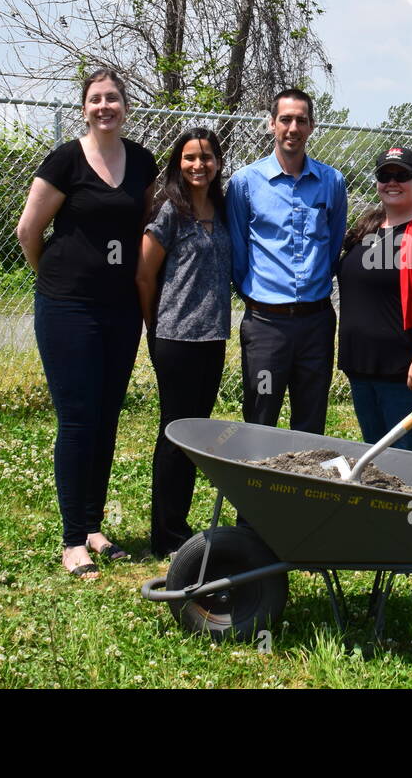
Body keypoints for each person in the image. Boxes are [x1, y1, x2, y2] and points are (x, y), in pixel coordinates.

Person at [16, 68, 159, 579]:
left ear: (125, 106)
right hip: (67, 308)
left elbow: (141, 225)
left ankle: (95, 526)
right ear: (84, 108)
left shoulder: (142, 160)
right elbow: (28, 230)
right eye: (96, 99)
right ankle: (72, 538)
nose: (105, 106)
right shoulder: (65, 160)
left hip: (119, 308)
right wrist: (53, 277)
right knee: (77, 419)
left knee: (106, 417)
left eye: (113, 98)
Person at [225, 89, 347, 434]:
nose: (293, 127)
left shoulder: (332, 182)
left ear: (311, 127)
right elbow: (238, 252)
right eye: (285, 119)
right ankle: (253, 486)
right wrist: (258, 295)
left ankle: (301, 489)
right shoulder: (245, 183)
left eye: (301, 120)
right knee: (261, 416)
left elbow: (333, 243)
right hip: (266, 327)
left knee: (310, 420)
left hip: (316, 325)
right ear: (271, 124)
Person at [136, 127, 232, 560]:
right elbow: (143, 273)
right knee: (174, 432)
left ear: (217, 163)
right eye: (190, 158)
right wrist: (155, 325)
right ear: (178, 163)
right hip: (174, 337)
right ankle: (167, 534)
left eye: (207, 157)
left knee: (195, 432)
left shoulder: (224, 208)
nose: (199, 165)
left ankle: (179, 522)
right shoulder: (169, 212)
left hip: (212, 338)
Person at [337, 146, 412, 456]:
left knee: (407, 457)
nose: (392, 182)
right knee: (374, 455)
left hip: (406, 371)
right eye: (384, 175)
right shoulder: (366, 228)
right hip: (364, 366)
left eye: (401, 175)